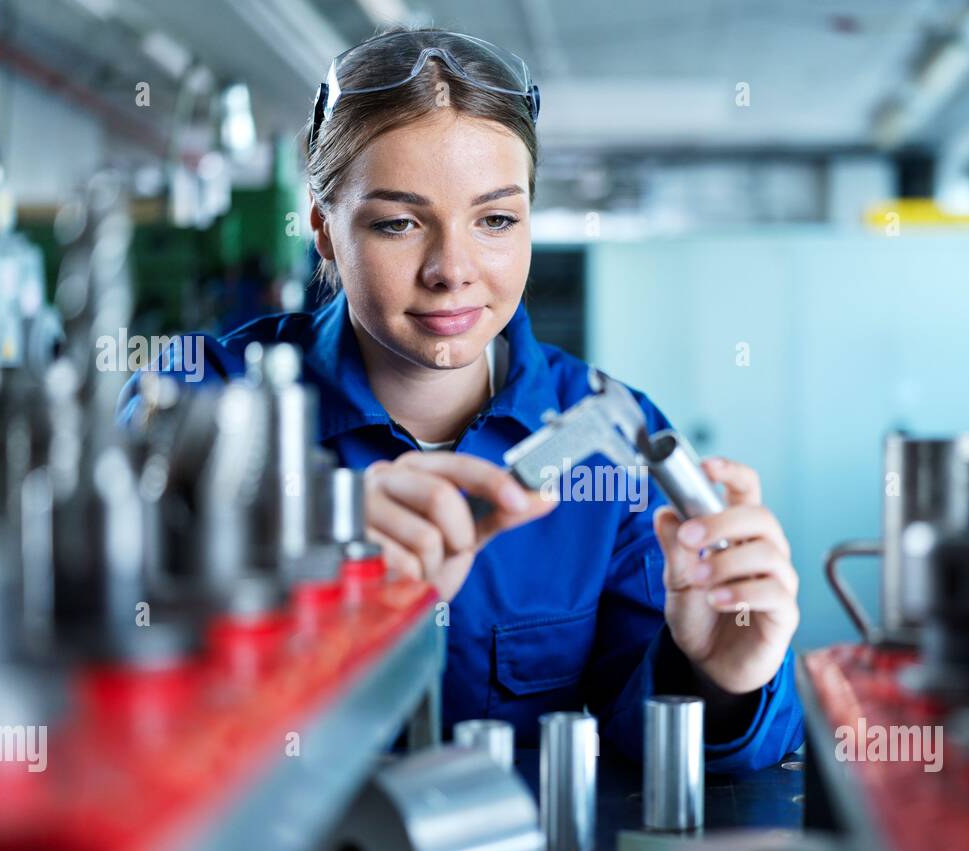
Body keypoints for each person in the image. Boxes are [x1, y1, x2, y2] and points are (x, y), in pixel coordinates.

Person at [118, 28, 804, 773]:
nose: (453, 269)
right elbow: (94, 654)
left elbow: (644, 756)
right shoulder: (201, 393)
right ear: (322, 227)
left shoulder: (613, 439)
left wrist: (716, 677)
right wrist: (289, 554)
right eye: (398, 223)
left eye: (496, 220)